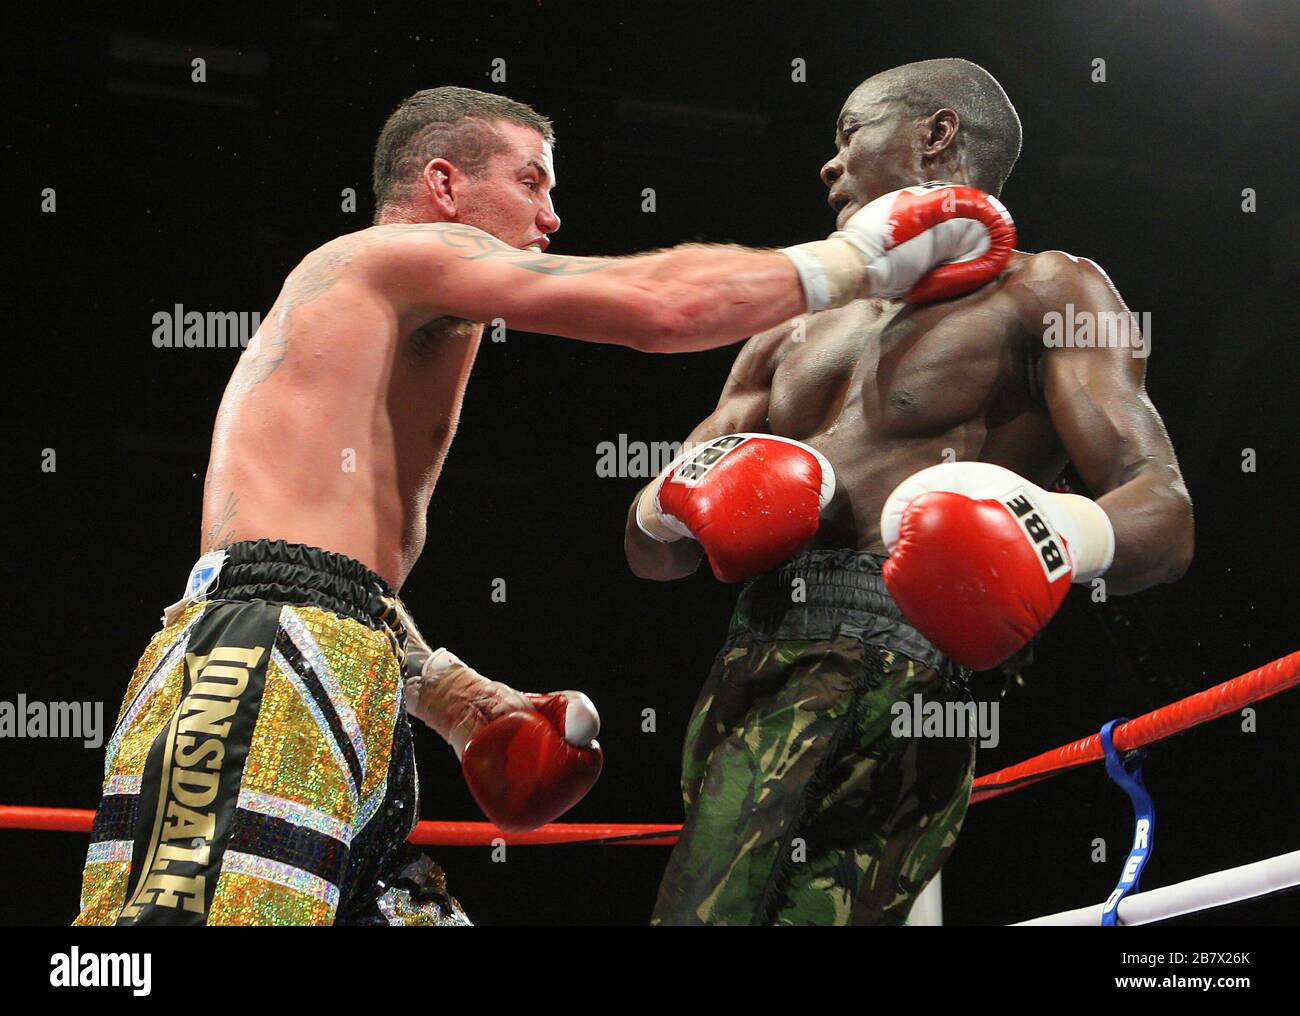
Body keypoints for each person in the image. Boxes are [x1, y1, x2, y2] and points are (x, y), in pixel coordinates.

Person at [74, 85, 1007, 926]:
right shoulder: (392, 256)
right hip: (258, 658)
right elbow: (658, 307)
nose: (552, 216)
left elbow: (332, 568)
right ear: (443, 183)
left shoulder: (400, 320)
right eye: (531, 182)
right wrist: (856, 260)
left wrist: (454, 699)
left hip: (344, 655)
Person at [625, 59, 1194, 926]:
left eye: (849, 134)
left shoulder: (1048, 290)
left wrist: (1053, 533)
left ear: (937, 134)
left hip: (907, 657)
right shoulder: (788, 329)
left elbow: (1162, 507)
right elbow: (652, 553)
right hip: (750, 656)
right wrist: (665, 503)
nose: (828, 164)